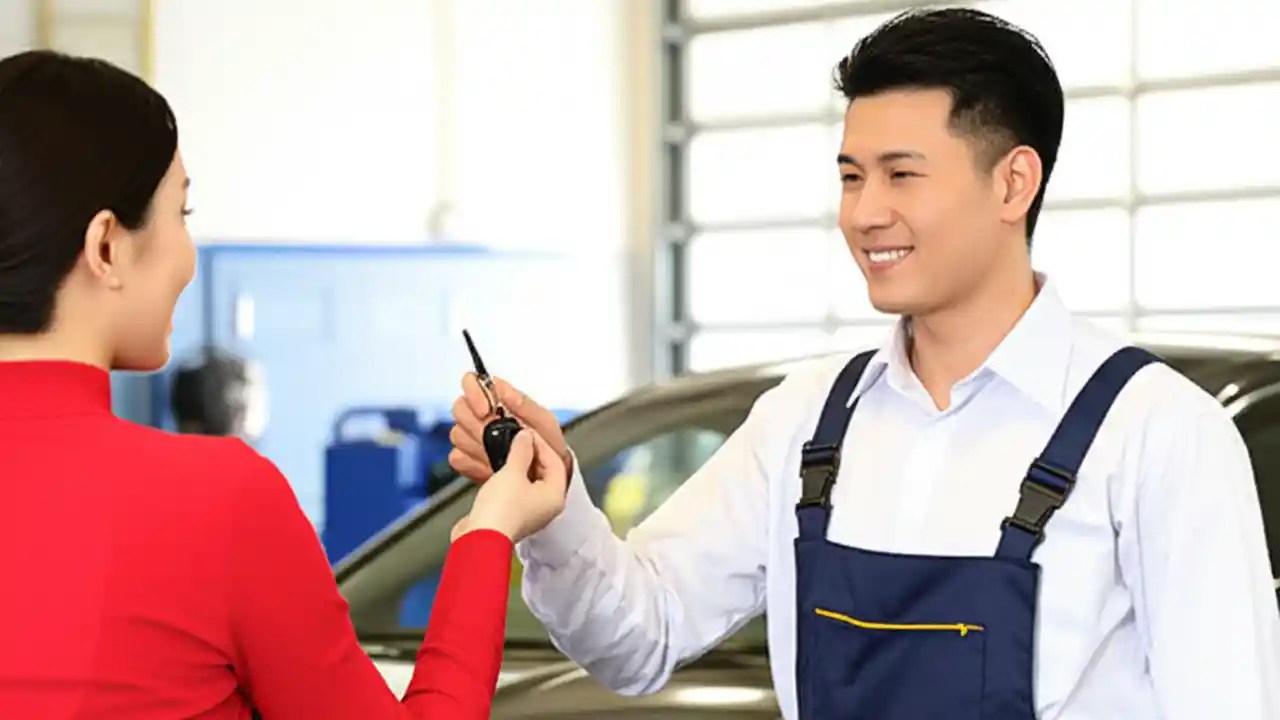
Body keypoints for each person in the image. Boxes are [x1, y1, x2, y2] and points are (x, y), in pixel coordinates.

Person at [449, 8, 1280, 720]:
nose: (865, 213)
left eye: (901, 175)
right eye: (851, 177)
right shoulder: (806, 422)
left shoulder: (1159, 435)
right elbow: (641, 639)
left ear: (1013, 184)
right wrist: (555, 512)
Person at [0, 49, 568, 720]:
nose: (187, 254)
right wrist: (490, 531)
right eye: (181, 213)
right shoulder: (216, 501)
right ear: (106, 248)